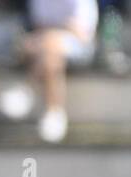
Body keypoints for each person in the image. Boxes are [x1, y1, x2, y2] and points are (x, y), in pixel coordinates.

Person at [24, 0, 99, 142]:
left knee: (51, 45)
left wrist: (52, 33)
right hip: (46, 46)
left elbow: (83, 35)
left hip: (79, 47)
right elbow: (39, 27)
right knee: (44, 51)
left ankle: (30, 90)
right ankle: (54, 111)